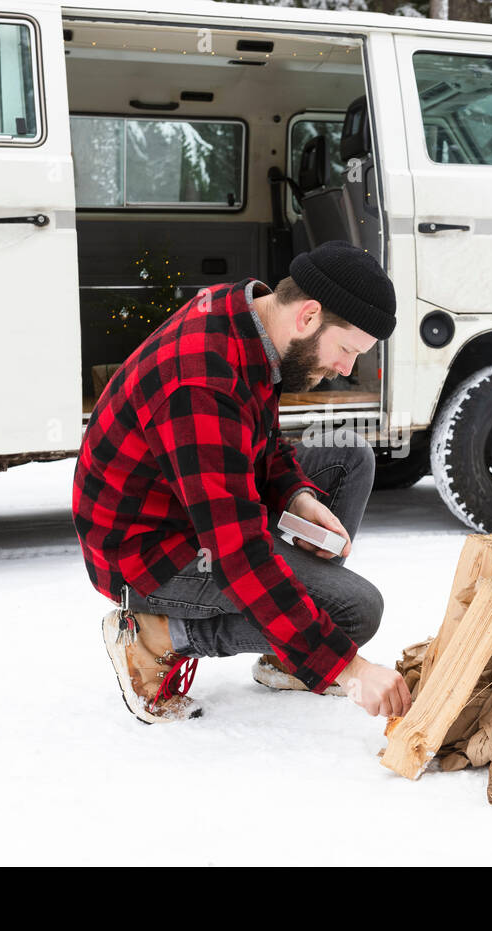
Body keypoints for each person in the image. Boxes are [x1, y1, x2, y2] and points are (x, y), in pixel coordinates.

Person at [72, 240, 412, 724]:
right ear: (308, 316)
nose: (346, 369)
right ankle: (155, 637)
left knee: (350, 457)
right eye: (345, 349)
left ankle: (288, 652)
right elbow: (236, 553)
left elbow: (258, 441)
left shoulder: (250, 316)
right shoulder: (200, 384)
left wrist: (296, 495)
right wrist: (348, 668)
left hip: (191, 507)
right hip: (145, 551)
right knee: (355, 613)